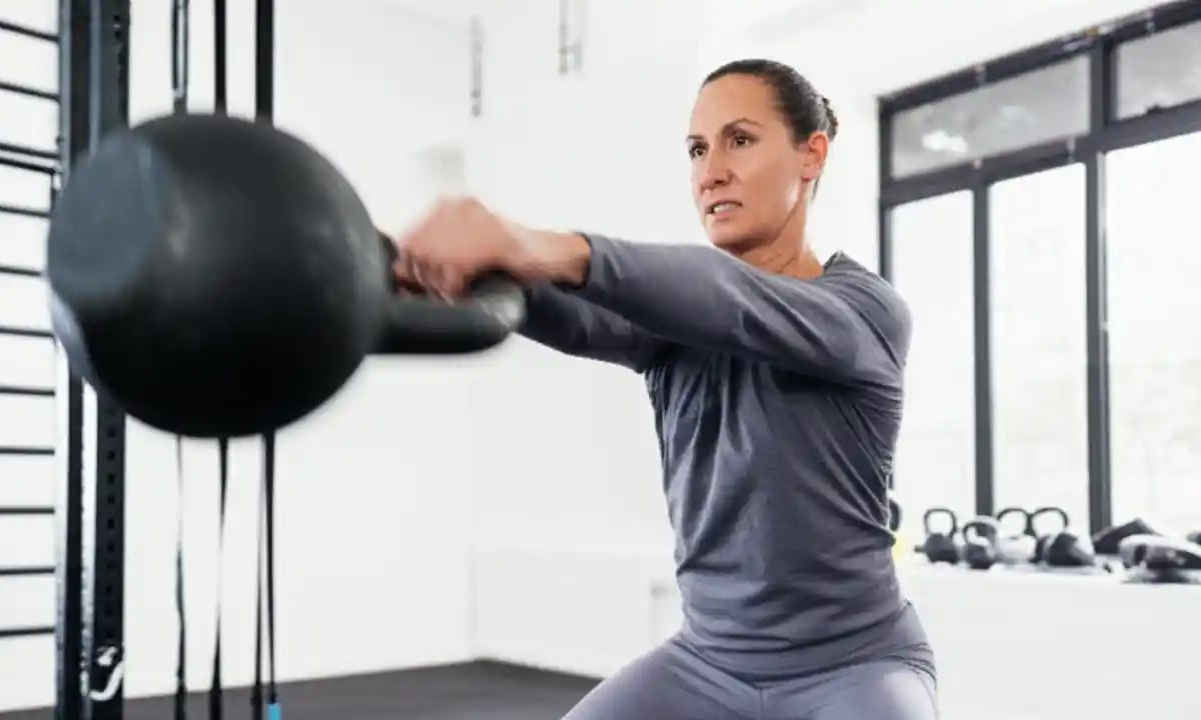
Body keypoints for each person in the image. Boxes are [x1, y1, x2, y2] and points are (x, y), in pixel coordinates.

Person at [393, 59, 938, 720]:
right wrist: (448, 266)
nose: (711, 172)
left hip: (856, 666)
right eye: (697, 150)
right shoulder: (671, 325)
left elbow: (730, 300)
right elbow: (568, 309)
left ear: (810, 155)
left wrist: (537, 242)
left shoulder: (864, 312)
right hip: (706, 663)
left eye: (740, 140)